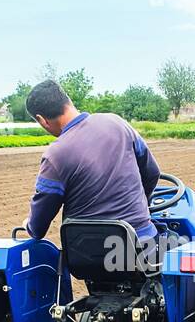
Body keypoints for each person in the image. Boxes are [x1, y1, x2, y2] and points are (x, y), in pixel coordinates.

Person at [23, 79, 162, 251]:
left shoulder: (55, 155)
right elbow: (152, 173)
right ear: (68, 101)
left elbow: (39, 223)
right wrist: (142, 206)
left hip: (90, 255)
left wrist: (30, 226)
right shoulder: (117, 124)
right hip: (142, 242)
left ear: (41, 120)